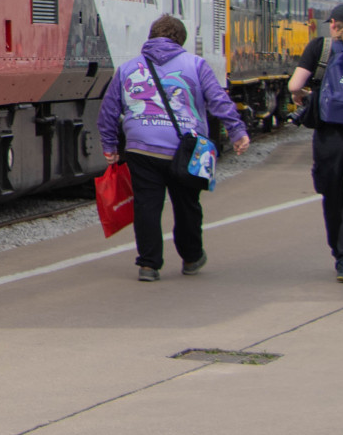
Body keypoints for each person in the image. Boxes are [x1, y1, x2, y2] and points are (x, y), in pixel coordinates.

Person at [98, 14, 249, 281]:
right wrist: (236, 131)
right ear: (180, 40)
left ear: (151, 37)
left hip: (141, 149)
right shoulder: (197, 64)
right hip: (185, 150)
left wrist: (110, 145)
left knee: (147, 206)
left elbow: (108, 111)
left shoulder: (127, 69)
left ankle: (148, 265)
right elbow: (218, 101)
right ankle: (191, 258)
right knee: (187, 204)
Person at [288, 2, 343, 282]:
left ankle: (341, 256)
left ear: (335, 23)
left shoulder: (321, 48)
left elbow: (295, 85)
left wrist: (300, 98)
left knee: (333, 192)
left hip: (329, 134)